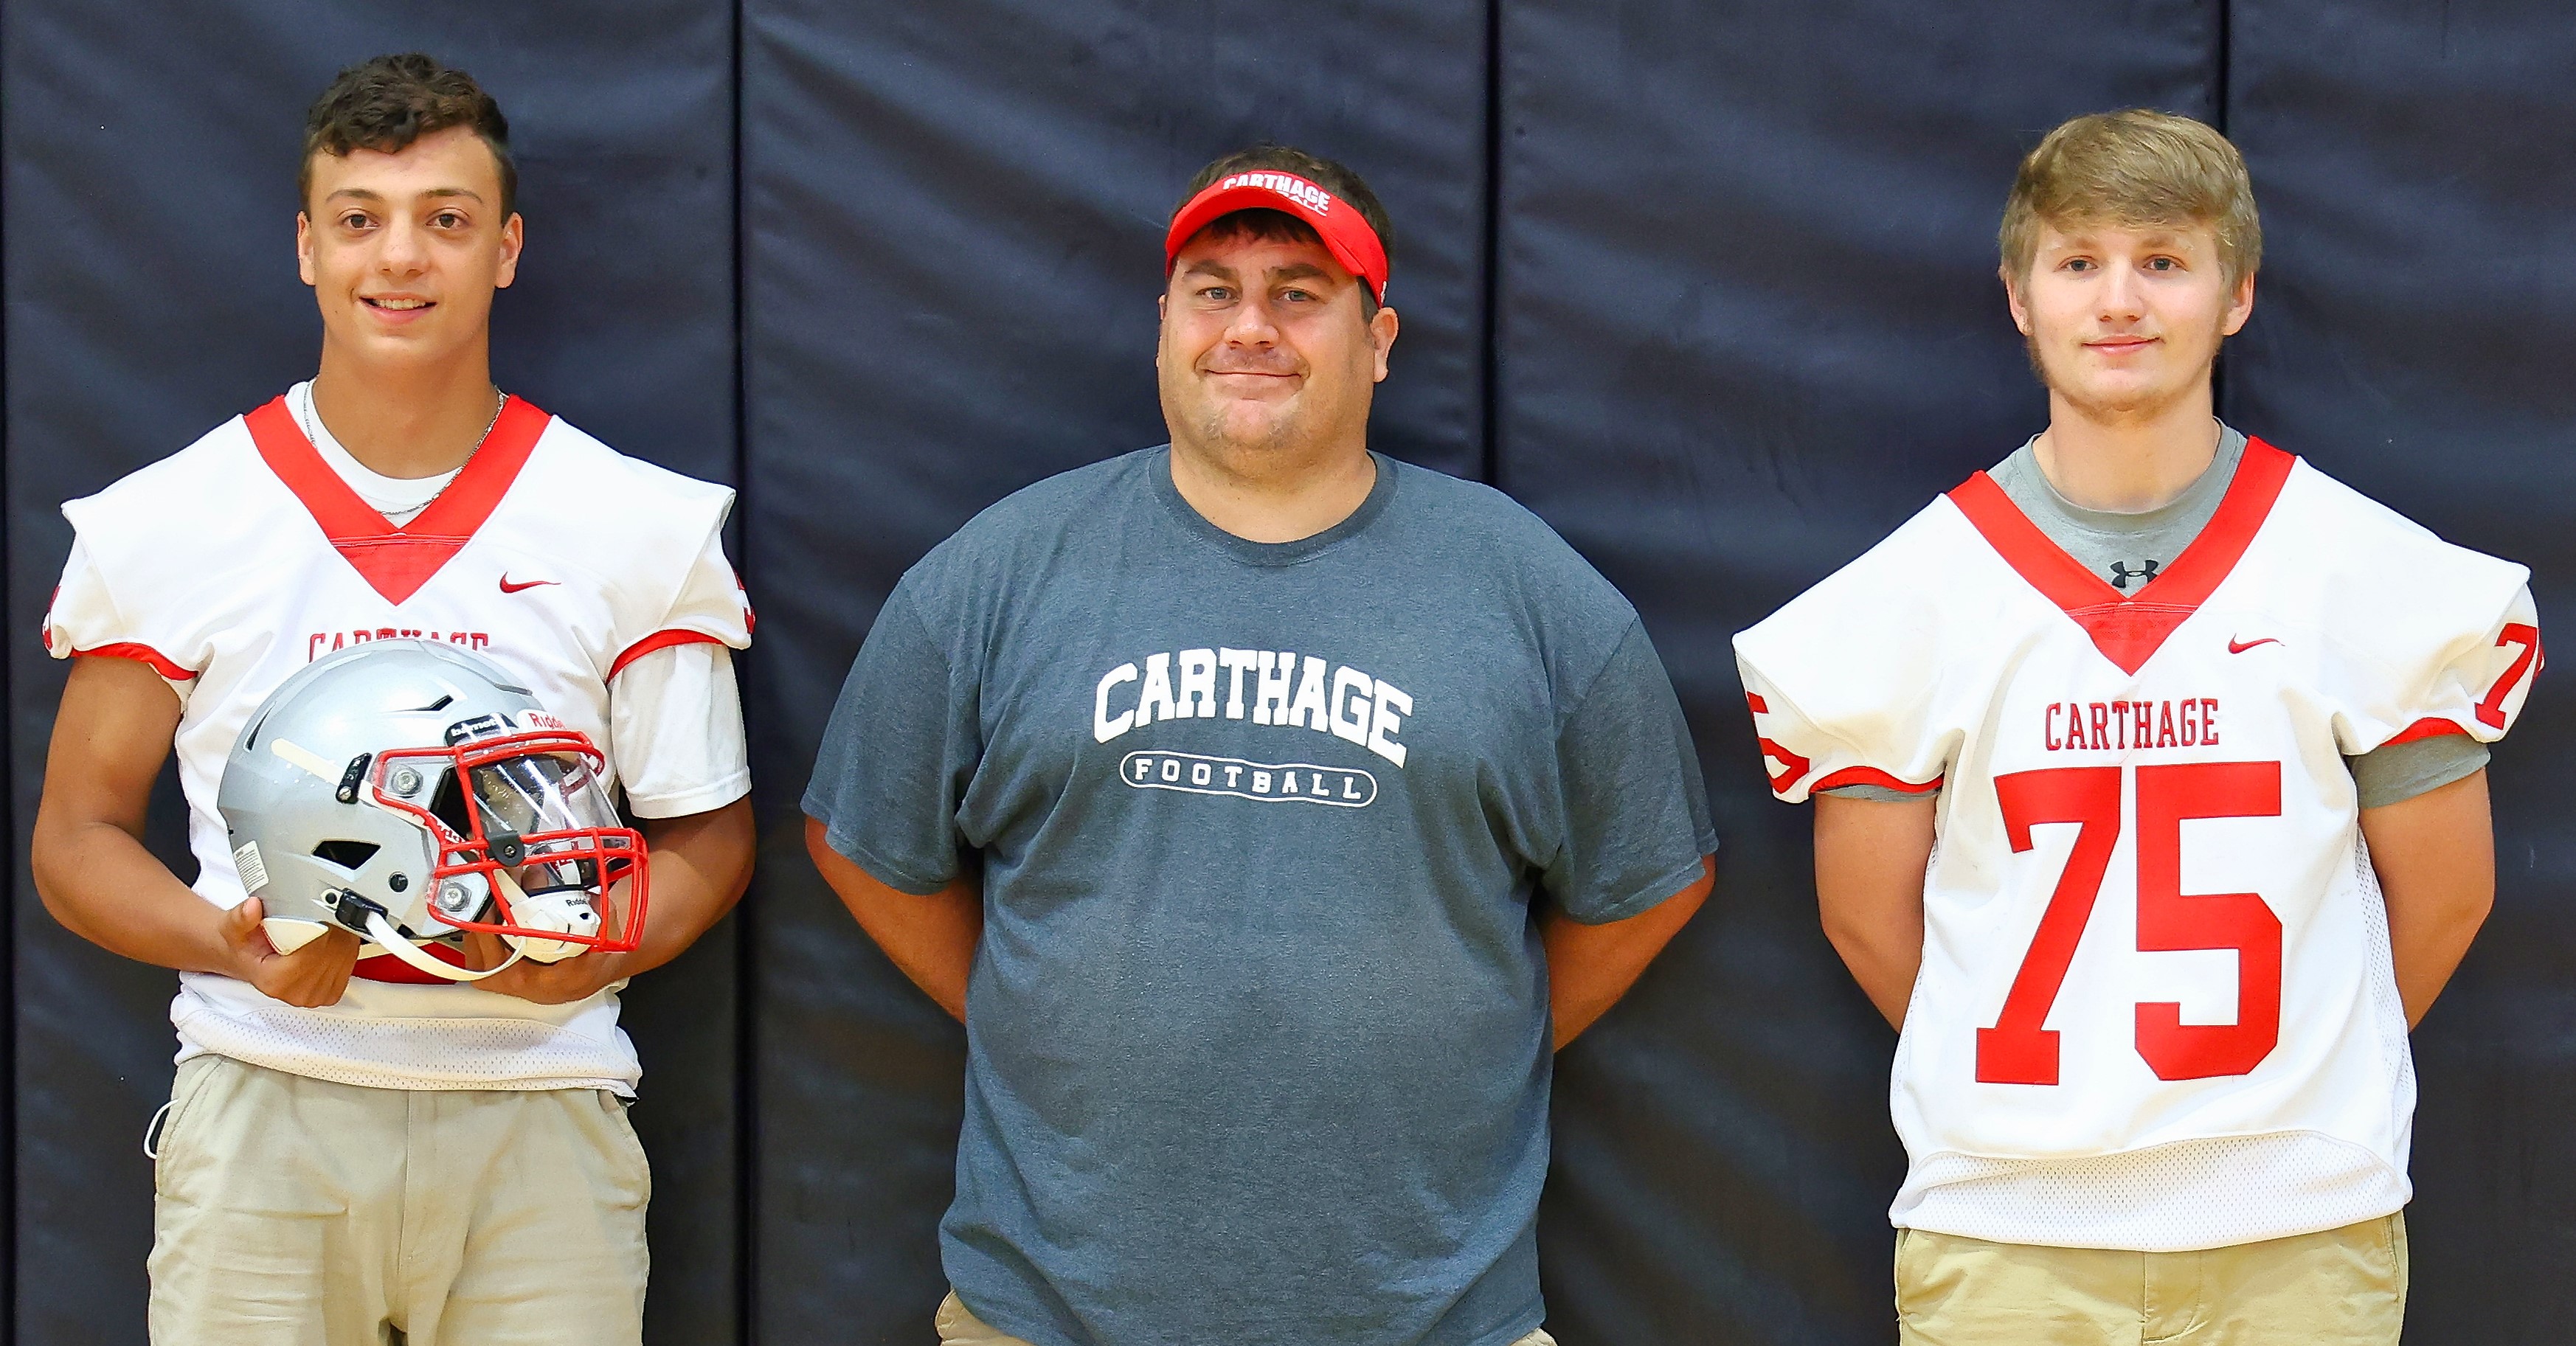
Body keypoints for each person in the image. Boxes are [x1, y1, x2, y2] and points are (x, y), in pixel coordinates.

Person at [804, 144, 1717, 1346]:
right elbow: (860, 838)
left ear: (1380, 340)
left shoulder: (1531, 592)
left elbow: (1652, 876)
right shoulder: (1000, 572)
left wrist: (1490, 1036)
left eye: (1299, 292)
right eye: (1214, 290)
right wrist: (1025, 1009)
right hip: (1055, 1313)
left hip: (1433, 1316)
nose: (1251, 328)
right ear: (1163, 325)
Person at [1734, 109, 2537, 1344]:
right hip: (2008, 1229)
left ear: (2236, 294)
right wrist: (2075, 1092)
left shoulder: (2357, 570)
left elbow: (2446, 898)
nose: (2120, 299)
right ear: (2019, 296)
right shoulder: (1905, 598)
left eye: (2163, 260)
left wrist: (2282, 1076)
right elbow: (1865, 914)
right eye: (2079, 261)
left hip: (2296, 1229)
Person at [27, 54, 756, 1345]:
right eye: (360, 218)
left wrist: (603, 951)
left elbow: (708, 834)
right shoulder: (175, 519)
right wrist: (228, 945)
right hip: (267, 1100)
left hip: (543, 1104)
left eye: (447, 219)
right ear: (306, 247)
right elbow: (75, 835)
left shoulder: (634, 523)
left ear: (507, 247)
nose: (400, 257)